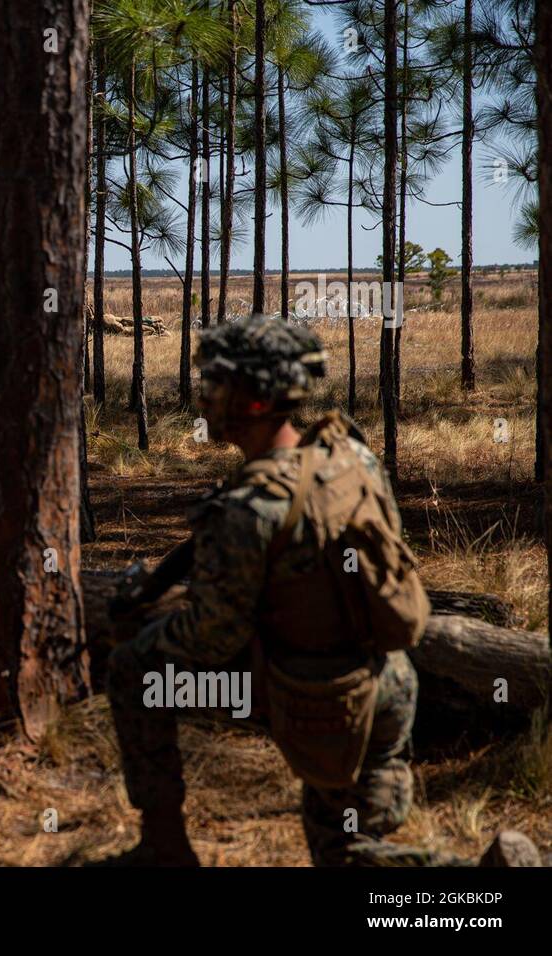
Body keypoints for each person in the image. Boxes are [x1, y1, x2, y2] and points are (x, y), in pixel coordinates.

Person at [104, 315, 538, 868]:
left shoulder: (249, 511)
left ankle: (162, 846)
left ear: (257, 401)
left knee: (135, 669)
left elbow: (212, 639)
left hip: (319, 701)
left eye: (217, 385)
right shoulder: (349, 457)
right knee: (342, 846)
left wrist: (148, 632)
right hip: (389, 682)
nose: (205, 399)